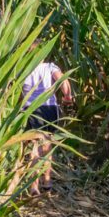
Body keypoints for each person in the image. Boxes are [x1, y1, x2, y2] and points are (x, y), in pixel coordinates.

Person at [22, 58, 73, 194]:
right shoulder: (49, 66)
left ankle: (34, 186)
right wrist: (68, 96)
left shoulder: (24, 67)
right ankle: (47, 182)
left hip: (31, 109)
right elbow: (62, 80)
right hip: (50, 109)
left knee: (34, 146)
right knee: (47, 145)